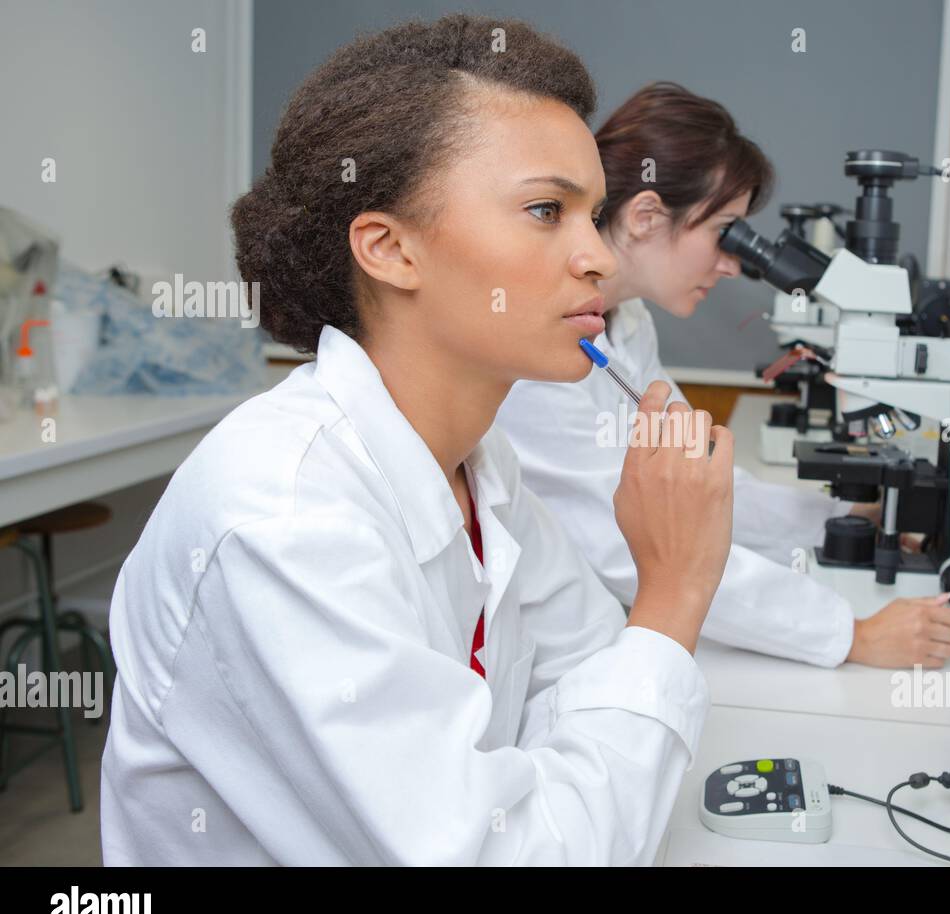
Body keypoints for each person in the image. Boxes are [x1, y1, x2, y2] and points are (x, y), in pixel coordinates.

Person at [99, 16, 734, 866]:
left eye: (595, 214)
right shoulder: (282, 520)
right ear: (391, 249)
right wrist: (674, 590)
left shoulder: (478, 466)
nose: (595, 257)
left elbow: (580, 682)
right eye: (547, 210)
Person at [496, 82, 950, 671]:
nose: (735, 262)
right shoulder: (538, 356)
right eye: (725, 230)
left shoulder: (626, 323)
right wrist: (851, 636)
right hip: (550, 660)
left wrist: (841, 520)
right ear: (644, 216)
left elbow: (704, 489)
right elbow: (629, 549)